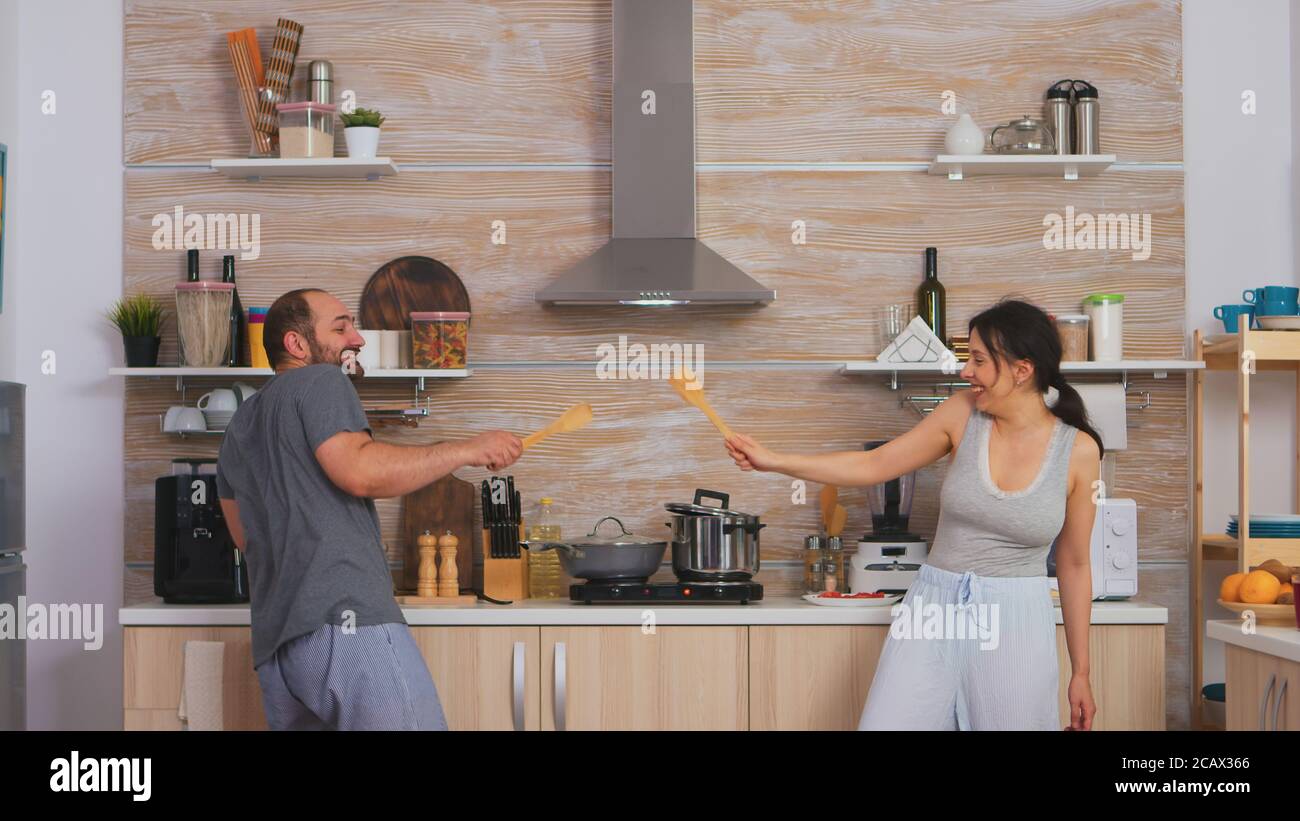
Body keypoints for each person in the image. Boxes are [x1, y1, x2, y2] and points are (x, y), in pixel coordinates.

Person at [726, 300, 1100, 730]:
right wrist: (772, 460)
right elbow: (873, 465)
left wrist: (1081, 673)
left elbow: (1074, 563)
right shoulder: (962, 415)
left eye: (978, 360)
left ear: (1022, 369)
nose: (965, 372)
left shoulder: (1079, 452)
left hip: (1015, 617)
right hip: (933, 607)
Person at [216, 288, 522, 730]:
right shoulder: (320, 381)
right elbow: (359, 470)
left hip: (279, 648)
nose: (357, 339)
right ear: (297, 345)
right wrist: (468, 450)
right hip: (346, 624)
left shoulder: (240, 425)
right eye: (340, 327)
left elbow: (244, 536)